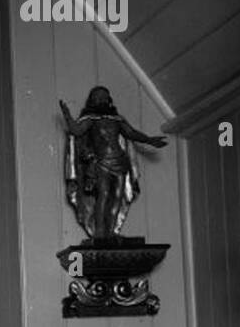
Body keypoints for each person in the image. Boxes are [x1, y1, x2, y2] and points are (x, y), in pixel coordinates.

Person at [60, 85, 167, 240]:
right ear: (92, 101)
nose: (101, 99)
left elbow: (131, 133)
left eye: (104, 97)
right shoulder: (90, 120)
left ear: (108, 100)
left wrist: (150, 140)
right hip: (102, 162)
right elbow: (76, 131)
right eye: (98, 97)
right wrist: (67, 116)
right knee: (103, 195)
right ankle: (100, 233)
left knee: (117, 196)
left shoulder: (117, 120)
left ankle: (111, 232)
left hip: (120, 161)